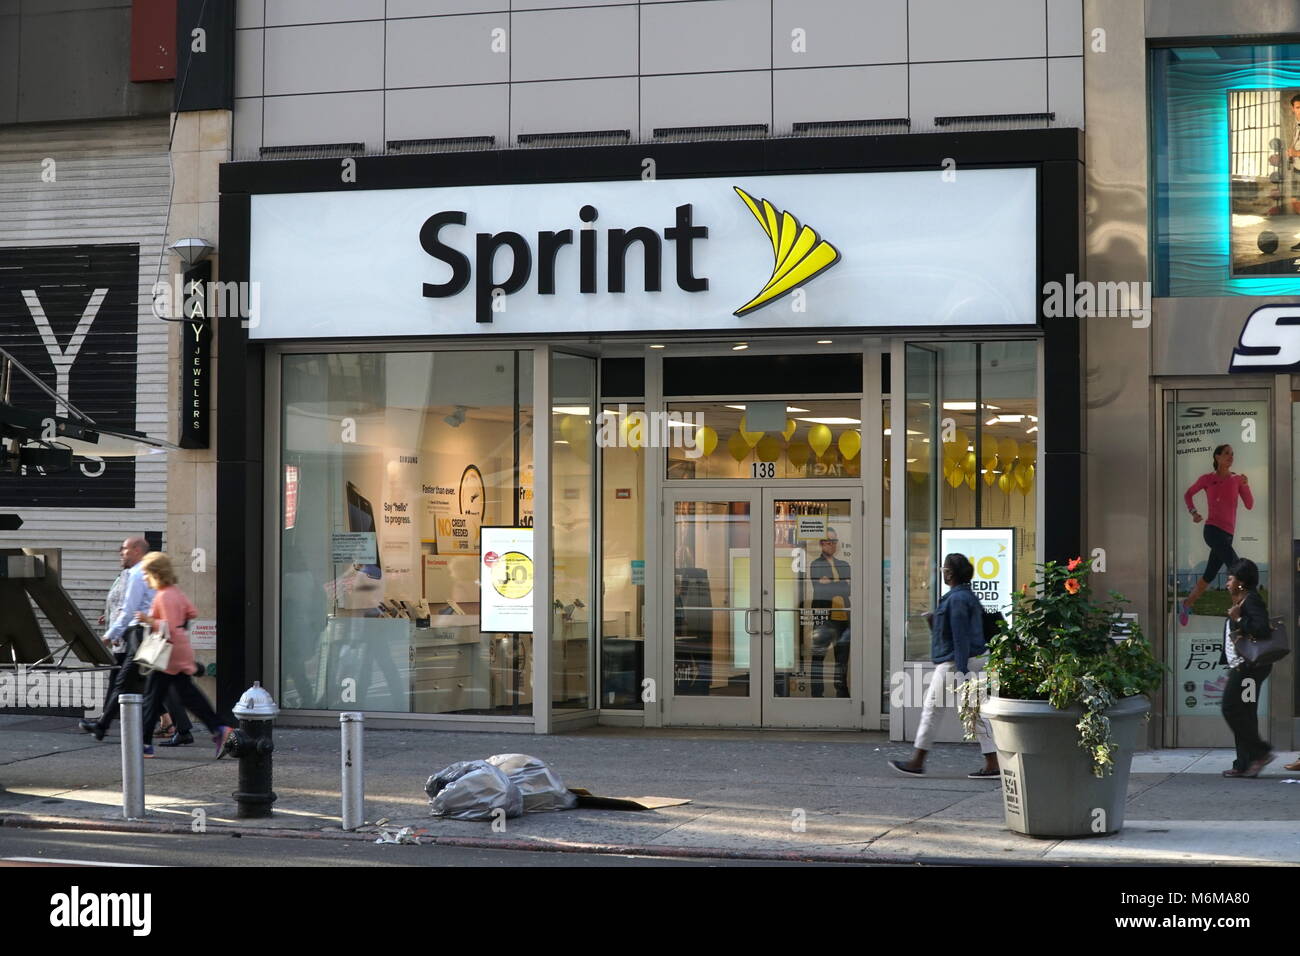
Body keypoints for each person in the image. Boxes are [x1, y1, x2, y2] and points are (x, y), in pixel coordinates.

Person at [890, 553, 998, 778]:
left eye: (944, 569)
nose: (942, 572)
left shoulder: (956, 599)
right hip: (968, 660)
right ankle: (992, 763)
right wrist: (935, 622)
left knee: (939, 710)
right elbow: (956, 632)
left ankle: (918, 761)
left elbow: (961, 637)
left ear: (949, 573)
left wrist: (961, 672)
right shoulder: (964, 596)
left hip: (956, 663)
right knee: (972, 712)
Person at [84, 536, 194, 745]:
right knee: (153, 682)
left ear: (136, 550)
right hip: (152, 634)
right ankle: (183, 729)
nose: (121, 553)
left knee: (125, 681)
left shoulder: (137, 574)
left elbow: (129, 612)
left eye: (124, 549)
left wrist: (110, 635)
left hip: (143, 635)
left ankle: (103, 726)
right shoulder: (147, 572)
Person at [134, 552, 232, 758]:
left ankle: (144, 745)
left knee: (152, 696)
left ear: (155, 573)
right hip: (179, 648)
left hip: (168, 651)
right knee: (186, 694)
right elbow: (192, 612)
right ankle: (219, 728)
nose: (144, 577)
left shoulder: (164, 595)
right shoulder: (175, 592)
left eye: (145, 573)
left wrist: (149, 620)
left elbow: (168, 626)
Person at [1179, 444, 1253, 626]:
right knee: (1236, 568)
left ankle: (1186, 604)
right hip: (1212, 530)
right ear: (1217, 457)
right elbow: (1188, 494)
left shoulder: (1236, 480)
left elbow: (1250, 504)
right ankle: (1241, 610)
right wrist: (1194, 512)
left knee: (1208, 576)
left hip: (1228, 535)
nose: (1231, 456)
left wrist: (1246, 484)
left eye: (1232, 454)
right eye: (1227, 453)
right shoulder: (1207, 479)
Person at [1220, 559, 1275, 778]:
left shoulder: (1251, 601)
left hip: (1249, 668)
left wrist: (1239, 618)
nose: (1226, 583)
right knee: (1244, 713)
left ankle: (1260, 752)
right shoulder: (1242, 599)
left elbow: (1262, 629)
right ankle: (1244, 763)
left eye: (1230, 578)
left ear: (1241, 582)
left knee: (1231, 709)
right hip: (1243, 667)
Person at [809, 528, 851, 698]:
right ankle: (817, 694)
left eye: (834, 541)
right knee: (818, 656)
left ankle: (841, 692)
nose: (831, 545)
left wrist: (831, 583)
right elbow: (821, 589)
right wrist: (841, 584)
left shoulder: (844, 565)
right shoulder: (815, 564)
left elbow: (849, 590)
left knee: (842, 657)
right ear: (821, 544)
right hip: (824, 616)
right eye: (828, 541)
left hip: (843, 616)